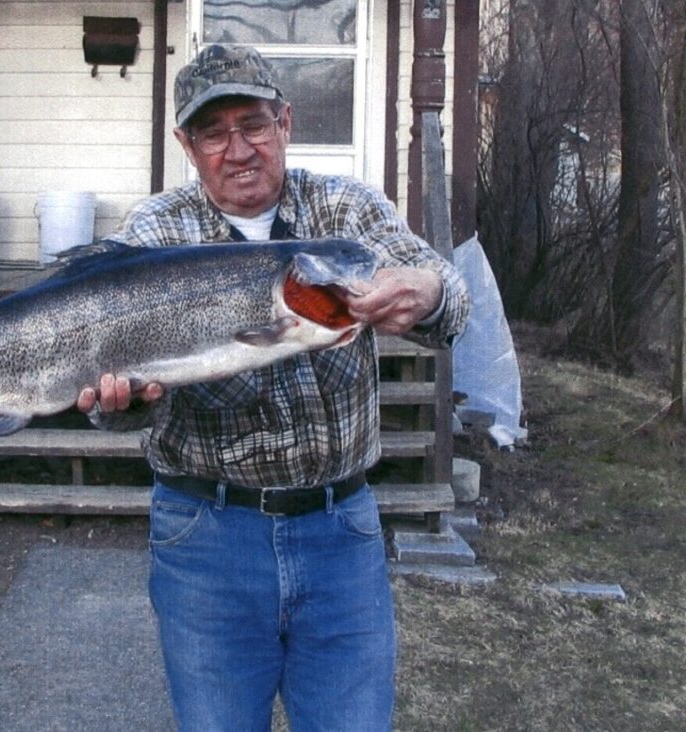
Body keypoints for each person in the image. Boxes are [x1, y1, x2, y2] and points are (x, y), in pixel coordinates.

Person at [76, 44, 469, 731]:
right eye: (214, 132)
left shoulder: (345, 214)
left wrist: (428, 289)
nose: (239, 150)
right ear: (186, 145)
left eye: (254, 125)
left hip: (341, 533)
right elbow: (113, 412)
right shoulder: (155, 234)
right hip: (206, 540)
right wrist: (115, 405)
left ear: (285, 122)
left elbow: (451, 298)